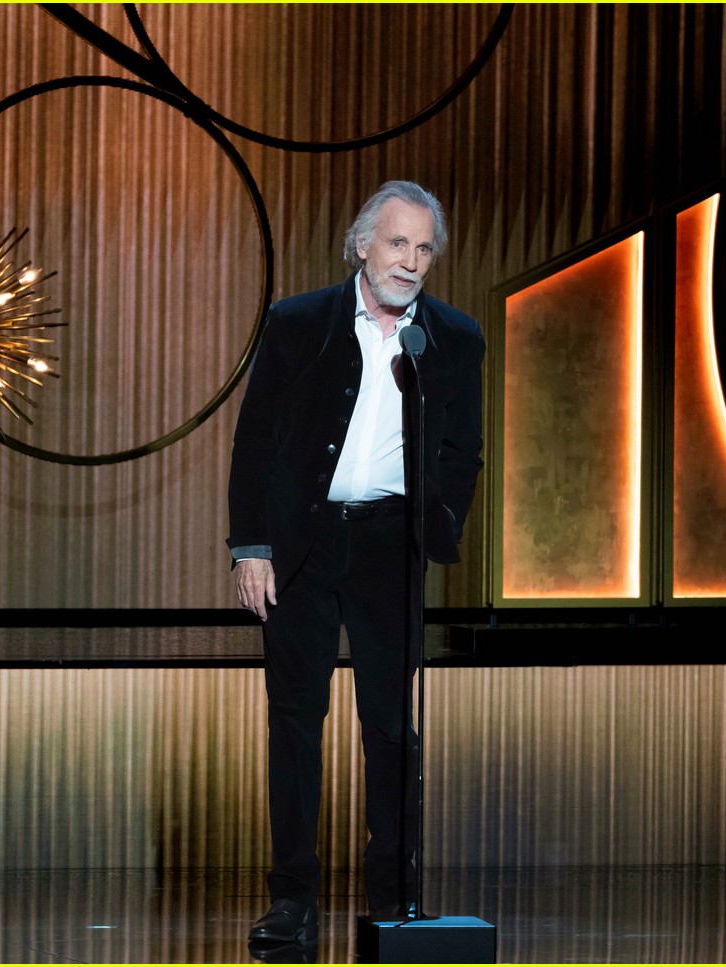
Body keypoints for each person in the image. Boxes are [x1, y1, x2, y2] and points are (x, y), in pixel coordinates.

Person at [227, 181, 484, 947]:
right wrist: (252, 546)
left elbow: (462, 450)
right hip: (303, 545)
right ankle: (293, 901)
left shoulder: (454, 337)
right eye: (398, 243)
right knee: (297, 723)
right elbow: (256, 441)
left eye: (424, 247)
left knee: (390, 727)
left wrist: (436, 527)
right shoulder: (297, 322)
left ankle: (394, 896)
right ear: (363, 244)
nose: (411, 261)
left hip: (388, 547)